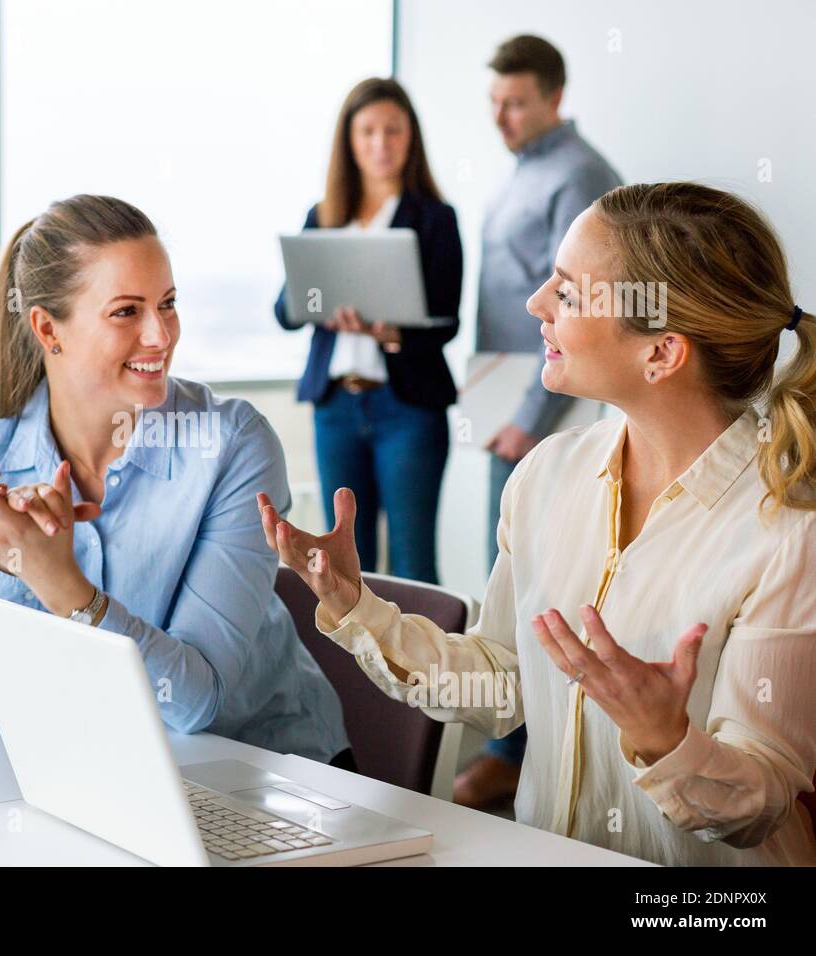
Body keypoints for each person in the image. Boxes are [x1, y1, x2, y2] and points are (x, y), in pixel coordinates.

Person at [259, 182, 816, 866]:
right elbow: (500, 684)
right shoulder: (546, 476)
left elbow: (761, 802)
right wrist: (356, 609)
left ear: (662, 353)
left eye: (569, 293)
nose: (535, 305)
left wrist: (668, 741)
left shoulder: (788, 527)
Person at [0, 193, 349, 764]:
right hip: (117, 769)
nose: (160, 336)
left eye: (168, 304)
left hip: (270, 774)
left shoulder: (232, 448)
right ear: (47, 329)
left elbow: (194, 702)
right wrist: (9, 557)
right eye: (126, 312)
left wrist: (64, 588)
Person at [464, 35, 622, 808]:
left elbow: (582, 311)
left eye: (517, 102)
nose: (503, 117)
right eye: (494, 102)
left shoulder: (582, 176)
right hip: (504, 397)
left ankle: (512, 753)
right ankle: (513, 745)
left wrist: (529, 418)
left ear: (555, 98)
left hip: (544, 404)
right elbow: (509, 303)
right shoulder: (519, 173)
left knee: (541, 587)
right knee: (511, 581)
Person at [274, 77, 462, 583]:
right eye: (368, 132)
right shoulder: (324, 215)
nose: (381, 144)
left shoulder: (435, 219)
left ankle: (421, 666)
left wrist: (389, 332)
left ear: (410, 138)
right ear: (350, 141)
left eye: (393, 131)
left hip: (407, 411)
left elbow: (447, 319)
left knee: (411, 561)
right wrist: (320, 305)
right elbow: (285, 311)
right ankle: (351, 666)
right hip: (335, 408)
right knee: (344, 562)